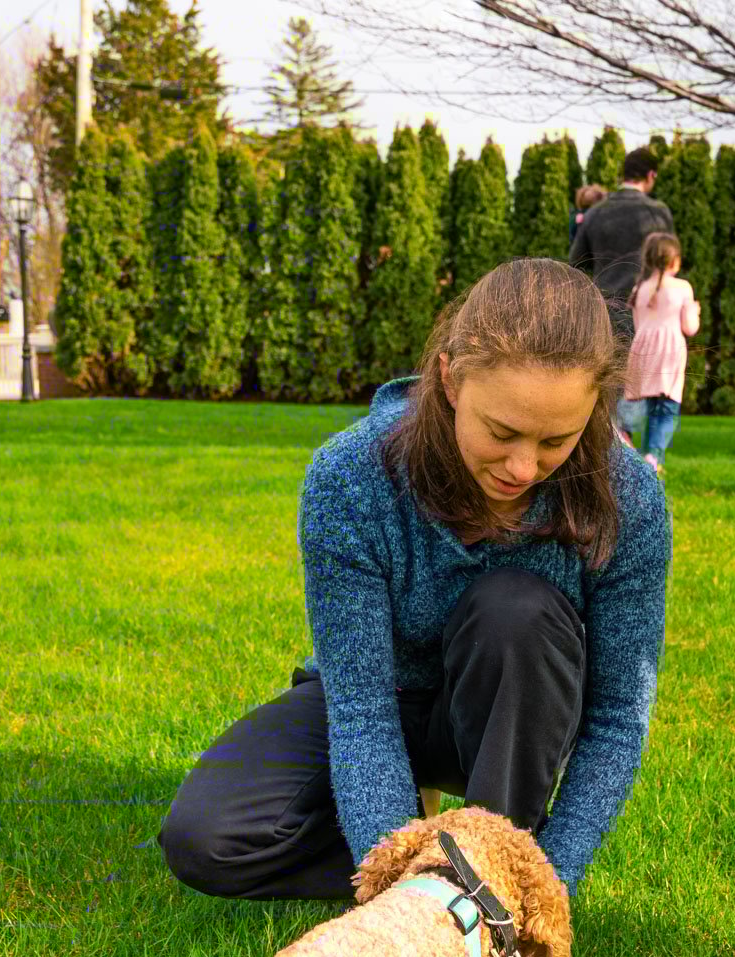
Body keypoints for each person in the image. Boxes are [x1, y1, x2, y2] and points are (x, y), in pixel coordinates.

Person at [158, 257, 671, 910]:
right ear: (451, 380)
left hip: (514, 716)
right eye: (503, 432)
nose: (523, 466)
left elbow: (617, 719)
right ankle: (438, 865)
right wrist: (401, 899)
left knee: (515, 613)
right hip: (387, 701)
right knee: (208, 838)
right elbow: (362, 712)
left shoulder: (630, 498)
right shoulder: (350, 478)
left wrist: (546, 881)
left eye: (555, 441)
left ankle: (492, 889)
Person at [568, 148, 676, 349]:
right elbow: (670, 263)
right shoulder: (658, 213)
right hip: (650, 313)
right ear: (651, 175)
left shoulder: (595, 212)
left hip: (606, 314)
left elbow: (576, 262)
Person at [621, 232, 699, 476]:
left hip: (642, 350)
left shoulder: (638, 288)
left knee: (642, 401)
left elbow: (638, 323)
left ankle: (624, 435)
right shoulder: (682, 288)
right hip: (669, 351)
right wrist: (695, 311)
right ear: (673, 260)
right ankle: (652, 456)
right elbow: (690, 327)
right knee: (665, 408)